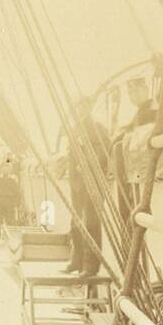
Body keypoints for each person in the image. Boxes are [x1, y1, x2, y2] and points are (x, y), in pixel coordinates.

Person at [64, 98, 110, 276]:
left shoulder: (97, 129)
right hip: (77, 184)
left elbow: (105, 150)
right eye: (76, 107)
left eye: (82, 107)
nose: (79, 110)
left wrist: (87, 163)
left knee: (91, 223)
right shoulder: (75, 130)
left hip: (91, 183)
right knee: (76, 223)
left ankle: (91, 266)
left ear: (89, 108)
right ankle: (76, 261)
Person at [0, 161, 23, 243]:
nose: (5, 171)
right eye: (3, 169)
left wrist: (17, 204)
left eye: (7, 169)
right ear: (1, 170)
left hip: (10, 204)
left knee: (11, 223)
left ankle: (11, 240)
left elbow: (17, 193)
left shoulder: (12, 181)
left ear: (10, 170)